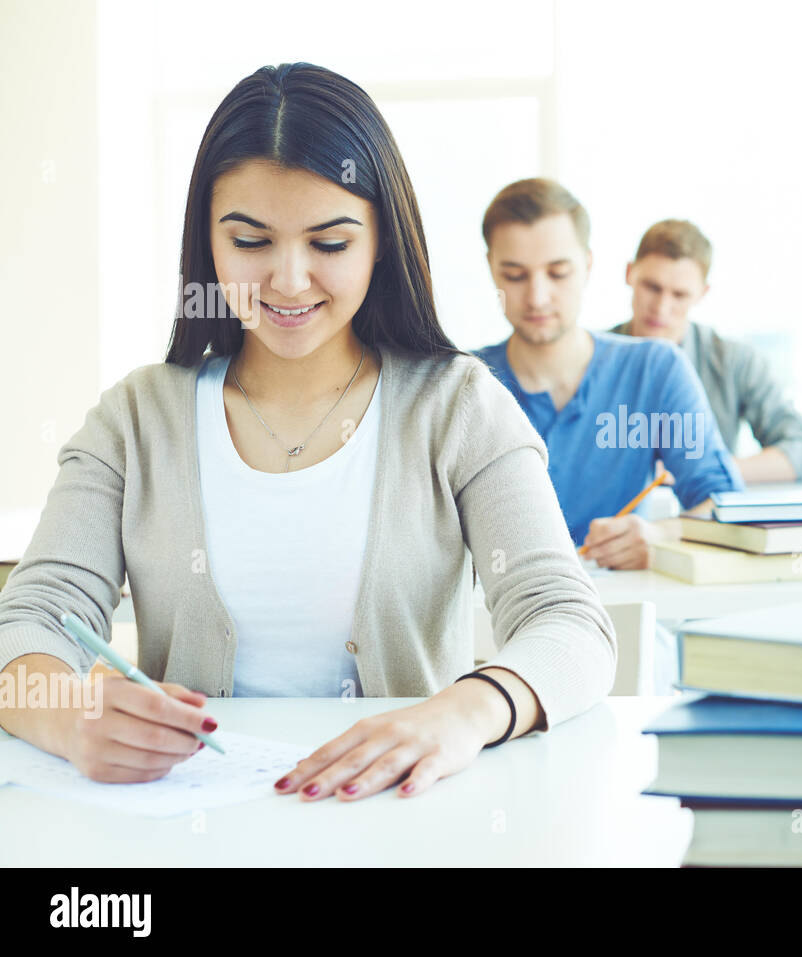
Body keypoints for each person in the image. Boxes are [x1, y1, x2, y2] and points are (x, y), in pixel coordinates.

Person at [0, 63, 615, 802]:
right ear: (208, 241)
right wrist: (73, 717)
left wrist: (468, 710)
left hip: (401, 821)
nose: (288, 280)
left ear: (383, 241)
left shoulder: (458, 407)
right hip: (192, 830)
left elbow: (570, 622)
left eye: (329, 243)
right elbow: (29, 623)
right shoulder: (136, 418)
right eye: (251, 240)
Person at [473, 179, 743, 571]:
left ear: (588, 266)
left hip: (620, 616)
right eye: (515, 275)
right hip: (495, 621)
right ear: (492, 270)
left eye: (559, 272)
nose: (537, 297)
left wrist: (659, 536)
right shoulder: (463, 386)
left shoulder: (654, 370)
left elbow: (726, 507)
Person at [611, 219, 802, 483]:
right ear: (629, 273)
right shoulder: (589, 358)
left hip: (702, 520)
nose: (661, 307)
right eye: (652, 287)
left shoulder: (735, 362)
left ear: (702, 293)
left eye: (679, 295)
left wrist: (705, 470)